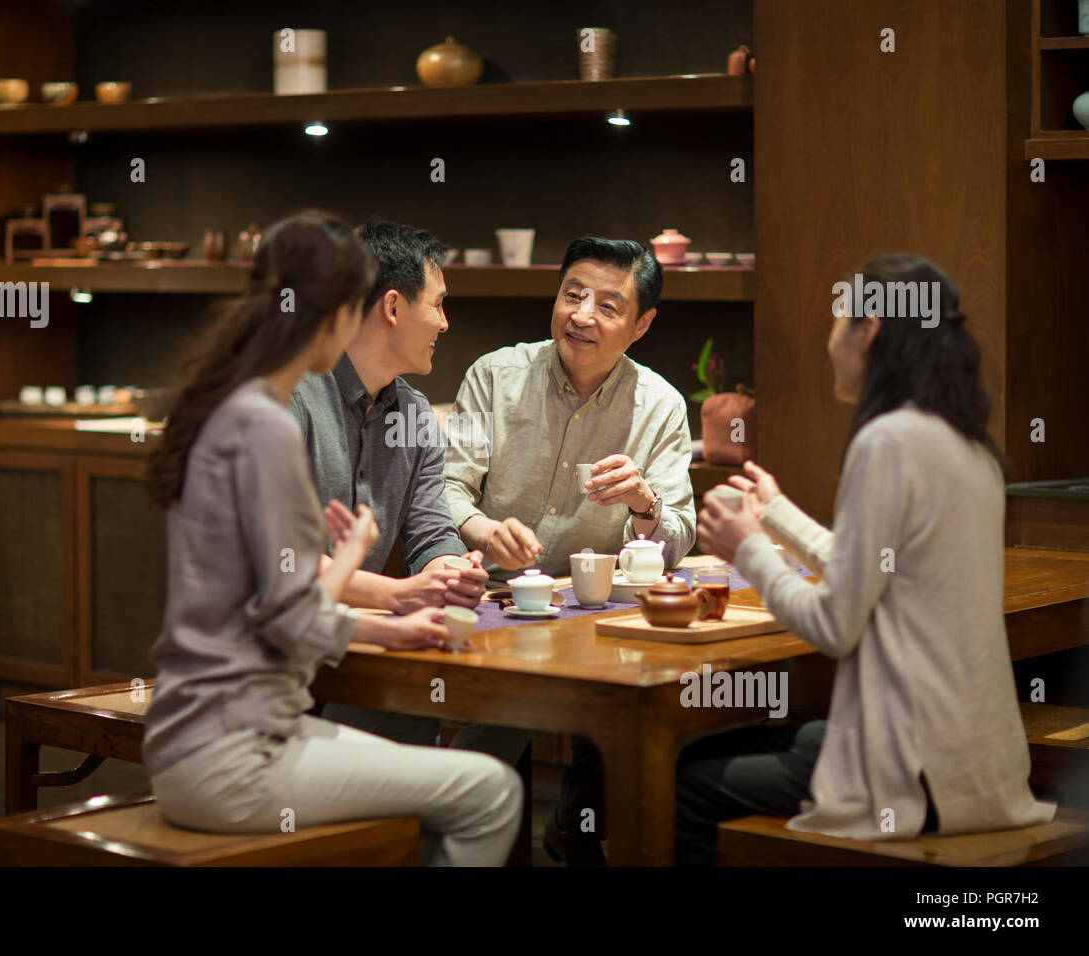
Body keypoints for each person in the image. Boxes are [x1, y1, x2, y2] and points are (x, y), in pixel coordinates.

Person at [142, 211, 521, 866]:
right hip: (235, 751)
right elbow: (287, 613)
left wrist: (386, 610)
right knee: (491, 791)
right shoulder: (267, 423)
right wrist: (372, 585)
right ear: (349, 313)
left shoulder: (237, 408)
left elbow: (279, 597)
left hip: (221, 735)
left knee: (445, 777)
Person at [683, 254, 1056, 865]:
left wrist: (748, 547)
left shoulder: (886, 440)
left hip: (912, 776)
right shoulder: (969, 447)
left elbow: (835, 624)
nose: (830, 344)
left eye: (837, 324)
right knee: (740, 746)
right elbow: (875, 569)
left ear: (871, 329)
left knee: (687, 783)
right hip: (977, 763)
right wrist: (776, 514)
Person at [444, 236, 698, 865]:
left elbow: (678, 536)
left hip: (596, 615)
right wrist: (480, 529)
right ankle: (464, 838)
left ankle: (576, 832)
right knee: (483, 749)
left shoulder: (660, 405)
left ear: (641, 325)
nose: (582, 315)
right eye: (572, 295)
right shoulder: (495, 376)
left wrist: (645, 503)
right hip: (499, 604)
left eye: (608, 306)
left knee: (632, 713)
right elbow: (445, 486)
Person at [291, 219, 516, 752]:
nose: (445, 322)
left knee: (425, 727)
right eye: (437, 304)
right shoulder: (291, 397)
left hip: (354, 654)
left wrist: (449, 569)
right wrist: (398, 595)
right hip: (274, 661)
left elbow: (431, 527)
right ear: (392, 307)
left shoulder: (414, 413)